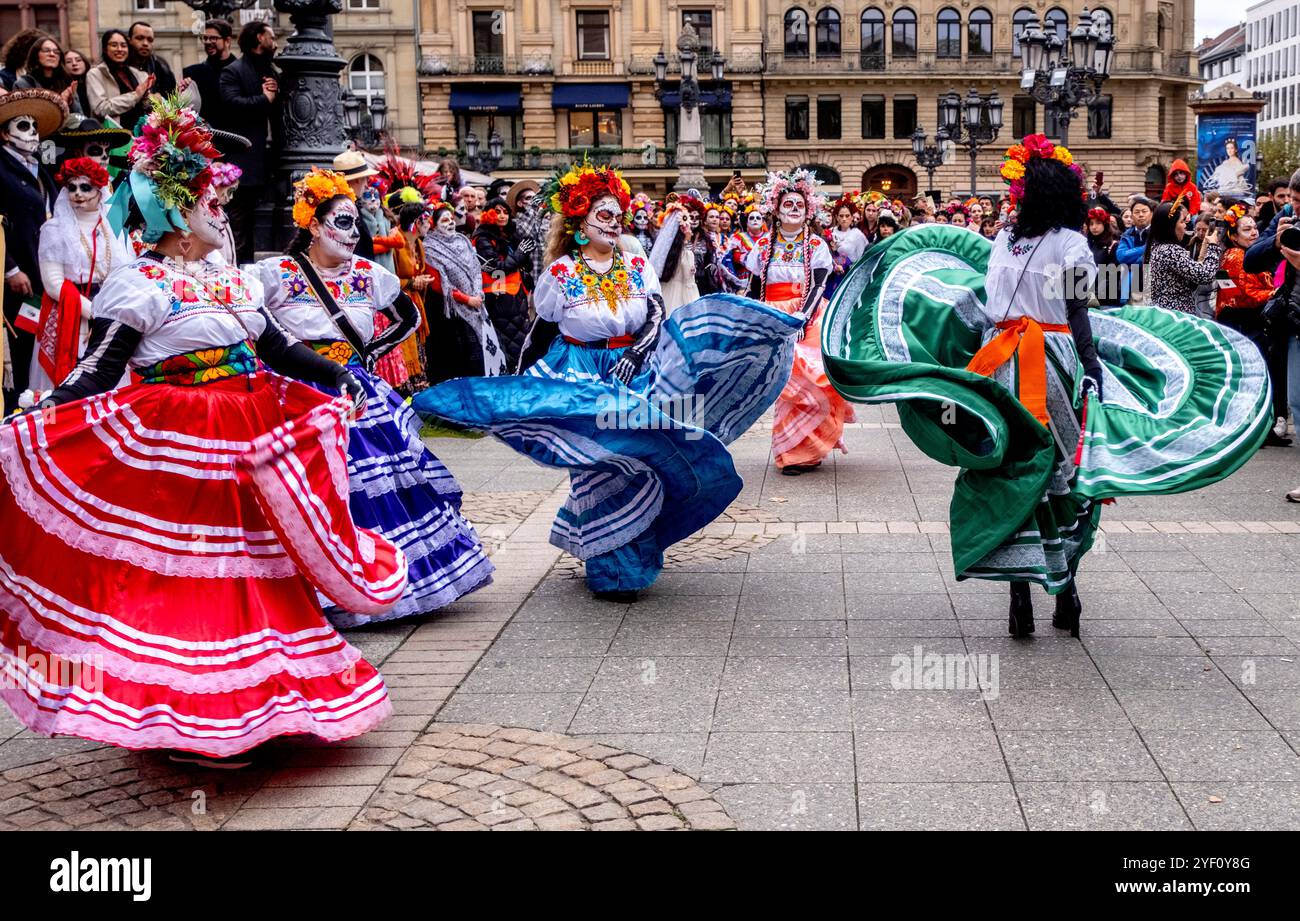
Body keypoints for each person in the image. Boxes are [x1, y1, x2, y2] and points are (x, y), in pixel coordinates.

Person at [0, 98, 405, 766]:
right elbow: (99, 367)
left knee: (257, 570)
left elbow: (278, 350)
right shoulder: (143, 283)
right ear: (177, 225)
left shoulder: (235, 283)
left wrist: (345, 379)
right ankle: (196, 716)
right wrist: (40, 416)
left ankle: (265, 700)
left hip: (250, 437)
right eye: (208, 205)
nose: (222, 211)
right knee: (198, 575)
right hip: (183, 447)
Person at [822, 133, 1271, 639]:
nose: (1014, 195)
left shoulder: (1008, 237)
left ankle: (1020, 596)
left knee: (1014, 463)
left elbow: (995, 303)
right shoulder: (1068, 243)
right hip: (1051, 361)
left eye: (1020, 189)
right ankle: (1065, 589)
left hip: (1001, 363)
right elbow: (1078, 310)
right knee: (1060, 466)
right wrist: (1091, 365)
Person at [412, 161, 804, 602]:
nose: (614, 223)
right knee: (598, 463)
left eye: (617, 215)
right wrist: (520, 385)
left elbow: (655, 312)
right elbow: (542, 330)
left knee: (640, 460)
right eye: (604, 215)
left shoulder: (636, 264)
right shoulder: (561, 274)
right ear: (580, 223)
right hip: (580, 372)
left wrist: (638, 351)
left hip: (636, 370)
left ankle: (623, 549)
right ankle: (611, 564)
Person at [255, 169, 492, 627]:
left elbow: (407, 320)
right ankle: (318, 588)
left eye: (356, 223)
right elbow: (255, 326)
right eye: (342, 222)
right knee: (319, 488)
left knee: (375, 485)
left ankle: (386, 583)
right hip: (298, 395)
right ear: (312, 224)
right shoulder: (275, 274)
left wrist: (367, 356)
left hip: (357, 393)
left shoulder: (368, 275)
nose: (354, 233)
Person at [745, 167, 853, 475]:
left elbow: (818, 285)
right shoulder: (764, 245)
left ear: (808, 211)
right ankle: (790, 452)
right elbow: (754, 288)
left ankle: (813, 447)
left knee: (816, 382)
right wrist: (756, 320)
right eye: (788, 204)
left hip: (808, 317)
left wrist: (802, 317)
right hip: (773, 317)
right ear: (776, 210)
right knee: (786, 388)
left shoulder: (816, 246)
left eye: (799, 205)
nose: (793, 210)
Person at [29, 156, 129, 393]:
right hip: (70, 313)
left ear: (100, 190)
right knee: (71, 384)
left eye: (85, 187)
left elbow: (127, 271)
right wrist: (95, 314)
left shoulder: (114, 226)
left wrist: (113, 311)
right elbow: (53, 283)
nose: (77, 194)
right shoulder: (54, 229)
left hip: (111, 309)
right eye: (71, 187)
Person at [0, 89, 67, 414]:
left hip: (43, 274)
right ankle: (12, 411)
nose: (32, 133)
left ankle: (32, 408)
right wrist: (9, 268)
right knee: (17, 347)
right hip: (17, 276)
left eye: (35, 127)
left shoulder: (38, 168)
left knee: (37, 344)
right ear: (4, 133)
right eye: (23, 126)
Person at [1216, 203, 1291, 446]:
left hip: (1245, 320)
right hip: (1244, 321)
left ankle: (1264, 426)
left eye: (1253, 227)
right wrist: (1277, 293)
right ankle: (1260, 428)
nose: (1254, 232)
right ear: (1234, 234)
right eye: (1246, 230)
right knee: (1257, 375)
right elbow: (1247, 293)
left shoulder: (1239, 253)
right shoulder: (1236, 257)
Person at [424, 200, 506, 378]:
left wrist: (478, 293)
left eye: (451, 219)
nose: (451, 223)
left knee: (486, 349)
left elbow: (476, 269)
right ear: (434, 225)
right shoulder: (430, 248)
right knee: (466, 357)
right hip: (454, 312)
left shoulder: (463, 240)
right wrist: (467, 299)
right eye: (444, 221)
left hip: (477, 303)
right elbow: (440, 286)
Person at [220, 20, 278, 263]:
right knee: (239, 220)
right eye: (270, 37)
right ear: (258, 39)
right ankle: (238, 266)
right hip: (242, 160)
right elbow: (232, 105)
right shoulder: (233, 71)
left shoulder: (270, 69)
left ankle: (249, 266)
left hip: (265, 159)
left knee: (255, 220)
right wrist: (264, 99)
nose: (274, 43)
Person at [475, 196, 533, 372]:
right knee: (507, 343)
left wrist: (524, 255)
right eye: (497, 211)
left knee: (522, 338)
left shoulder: (512, 235)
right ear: (488, 214)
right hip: (499, 297)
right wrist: (520, 254)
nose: (502, 216)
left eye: (505, 212)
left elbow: (524, 264)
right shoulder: (483, 238)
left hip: (519, 295)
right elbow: (496, 269)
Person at [1144, 201, 1223, 314]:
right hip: (1175, 316)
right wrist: (1213, 246)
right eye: (1182, 221)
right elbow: (1206, 275)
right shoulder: (1170, 251)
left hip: (1162, 312)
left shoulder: (1156, 247)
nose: (1185, 225)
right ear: (1170, 226)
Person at [387, 198, 432, 389]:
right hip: (400, 305)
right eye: (426, 220)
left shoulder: (418, 244)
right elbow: (389, 278)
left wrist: (421, 282)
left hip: (416, 303)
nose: (430, 224)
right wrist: (413, 282)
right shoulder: (396, 241)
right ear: (415, 223)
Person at [183, 20, 235, 151]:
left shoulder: (242, 70)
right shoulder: (192, 73)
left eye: (213, 38)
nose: (207, 42)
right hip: (205, 144)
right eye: (204, 38)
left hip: (236, 143)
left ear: (227, 41)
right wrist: (183, 90)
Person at [86, 29, 154, 128]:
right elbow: (100, 108)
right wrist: (135, 95)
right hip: (114, 136)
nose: (120, 49)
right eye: (114, 45)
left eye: (123, 45)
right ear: (105, 49)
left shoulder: (138, 74)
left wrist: (150, 97)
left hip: (141, 134)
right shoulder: (95, 74)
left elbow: (146, 106)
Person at [13, 35, 81, 120]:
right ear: (36, 55)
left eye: (56, 52)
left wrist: (70, 102)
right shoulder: (23, 84)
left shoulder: (67, 82)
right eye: (46, 51)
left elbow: (79, 116)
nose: (52, 54)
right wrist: (60, 103)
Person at [1115, 195, 1155, 303]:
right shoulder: (1127, 235)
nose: (1141, 215)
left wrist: (1132, 260)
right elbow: (1121, 256)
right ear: (1132, 216)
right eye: (1137, 212)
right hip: (1129, 288)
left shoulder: (1157, 234)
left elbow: (1149, 259)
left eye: (1144, 211)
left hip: (1150, 286)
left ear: (1151, 214)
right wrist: (1145, 248)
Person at [127, 22, 178, 98]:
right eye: (140, 38)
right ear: (129, 40)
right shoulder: (119, 67)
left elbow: (171, 100)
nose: (145, 43)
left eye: (150, 40)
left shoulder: (162, 68)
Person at [1085, 206, 1122, 308]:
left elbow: (1112, 275)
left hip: (1106, 299)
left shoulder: (1113, 245)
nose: (1094, 227)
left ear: (1105, 225)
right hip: (1087, 295)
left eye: (1098, 223)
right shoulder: (1085, 244)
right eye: (1091, 224)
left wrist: (1096, 295)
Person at [61, 49, 93, 118]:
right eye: (68, 61)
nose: (74, 63)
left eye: (78, 60)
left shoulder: (94, 83)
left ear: (85, 62)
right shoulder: (63, 88)